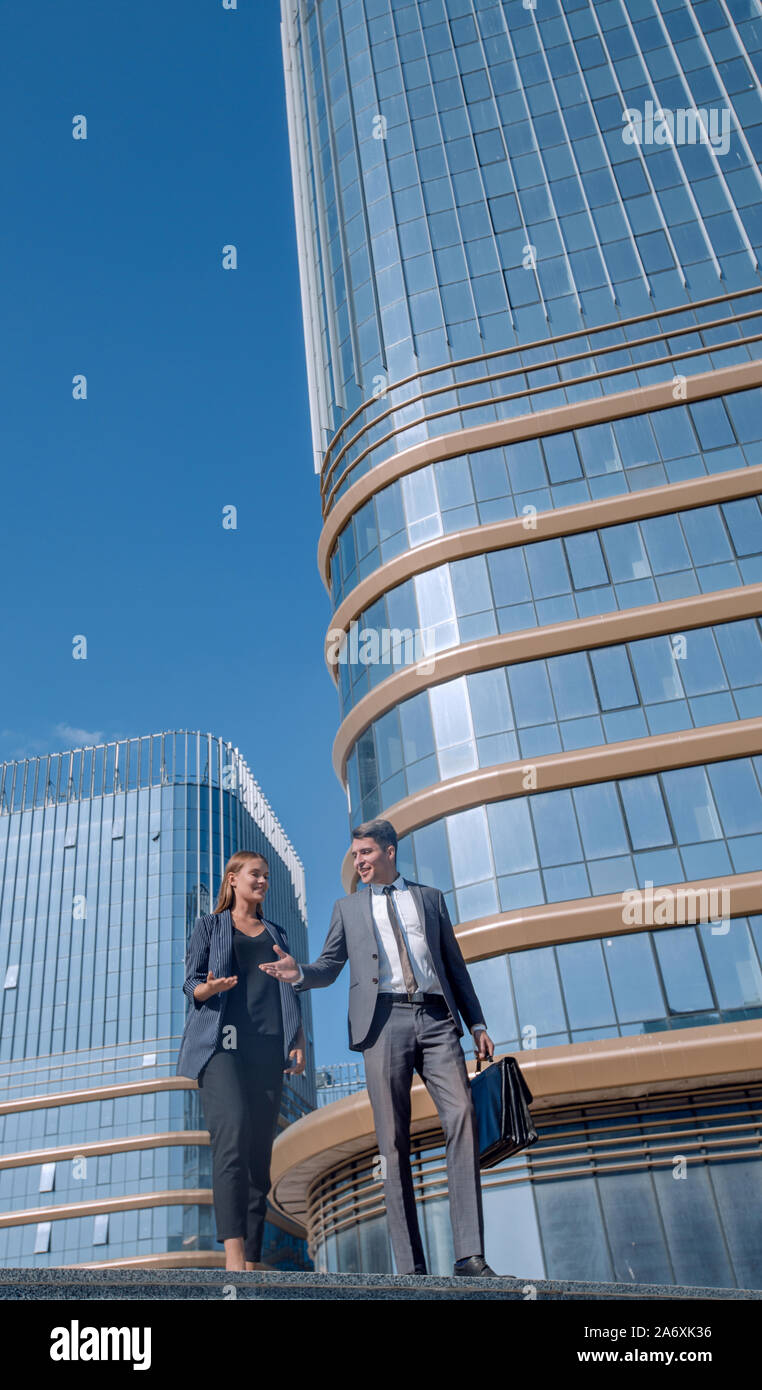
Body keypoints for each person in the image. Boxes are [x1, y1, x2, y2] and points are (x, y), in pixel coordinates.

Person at [260, 818, 499, 1277]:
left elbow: (454, 964)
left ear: (389, 851)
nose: (359, 861)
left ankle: (470, 1255)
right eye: (355, 855)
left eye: (365, 853)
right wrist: (300, 973)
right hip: (382, 1022)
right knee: (392, 1142)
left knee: (463, 1116)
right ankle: (411, 1268)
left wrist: (478, 1022)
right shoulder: (348, 908)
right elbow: (330, 966)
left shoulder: (429, 899)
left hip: (436, 1018)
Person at [176, 849, 305, 1271]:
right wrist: (208, 990)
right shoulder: (210, 927)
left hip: (266, 1049)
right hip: (220, 1047)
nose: (263, 881)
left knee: (257, 1159)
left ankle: (250, 1261)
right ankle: (233, 1259)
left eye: (267, 875)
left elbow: (290, 988)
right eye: (255, 874)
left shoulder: (276, 932)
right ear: (233, 879)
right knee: (230, 1138)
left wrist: (297, 1036)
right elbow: (191, 981)